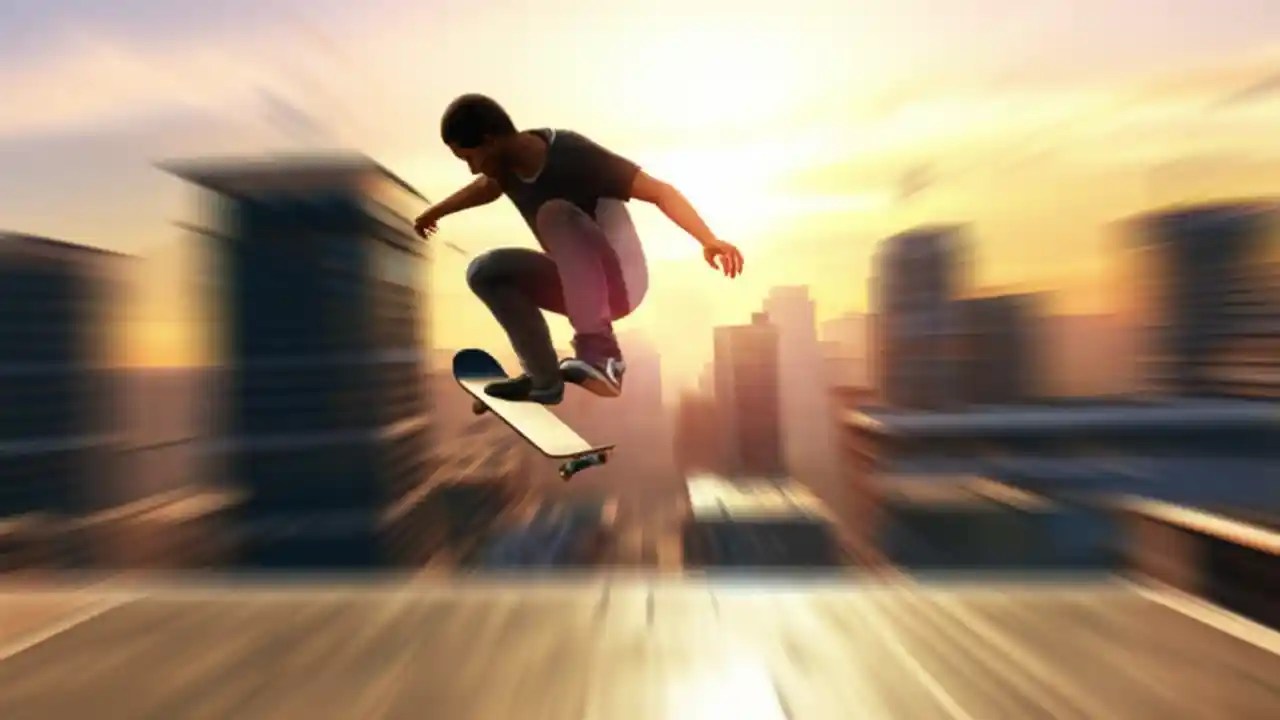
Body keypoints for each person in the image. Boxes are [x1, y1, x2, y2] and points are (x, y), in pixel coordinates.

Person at [415, 93, 743, 404]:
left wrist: (708, 239)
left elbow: (660, 191)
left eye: (471, 158)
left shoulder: (573, 155)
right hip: (575, 285)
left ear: (490, 140)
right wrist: (436, 212)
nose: (473, 168)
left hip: (622, 283)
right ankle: (544, 380)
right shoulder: (503, 169)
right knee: (484, 272)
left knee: (555, 213)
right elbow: (486, 188)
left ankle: (603, 356)